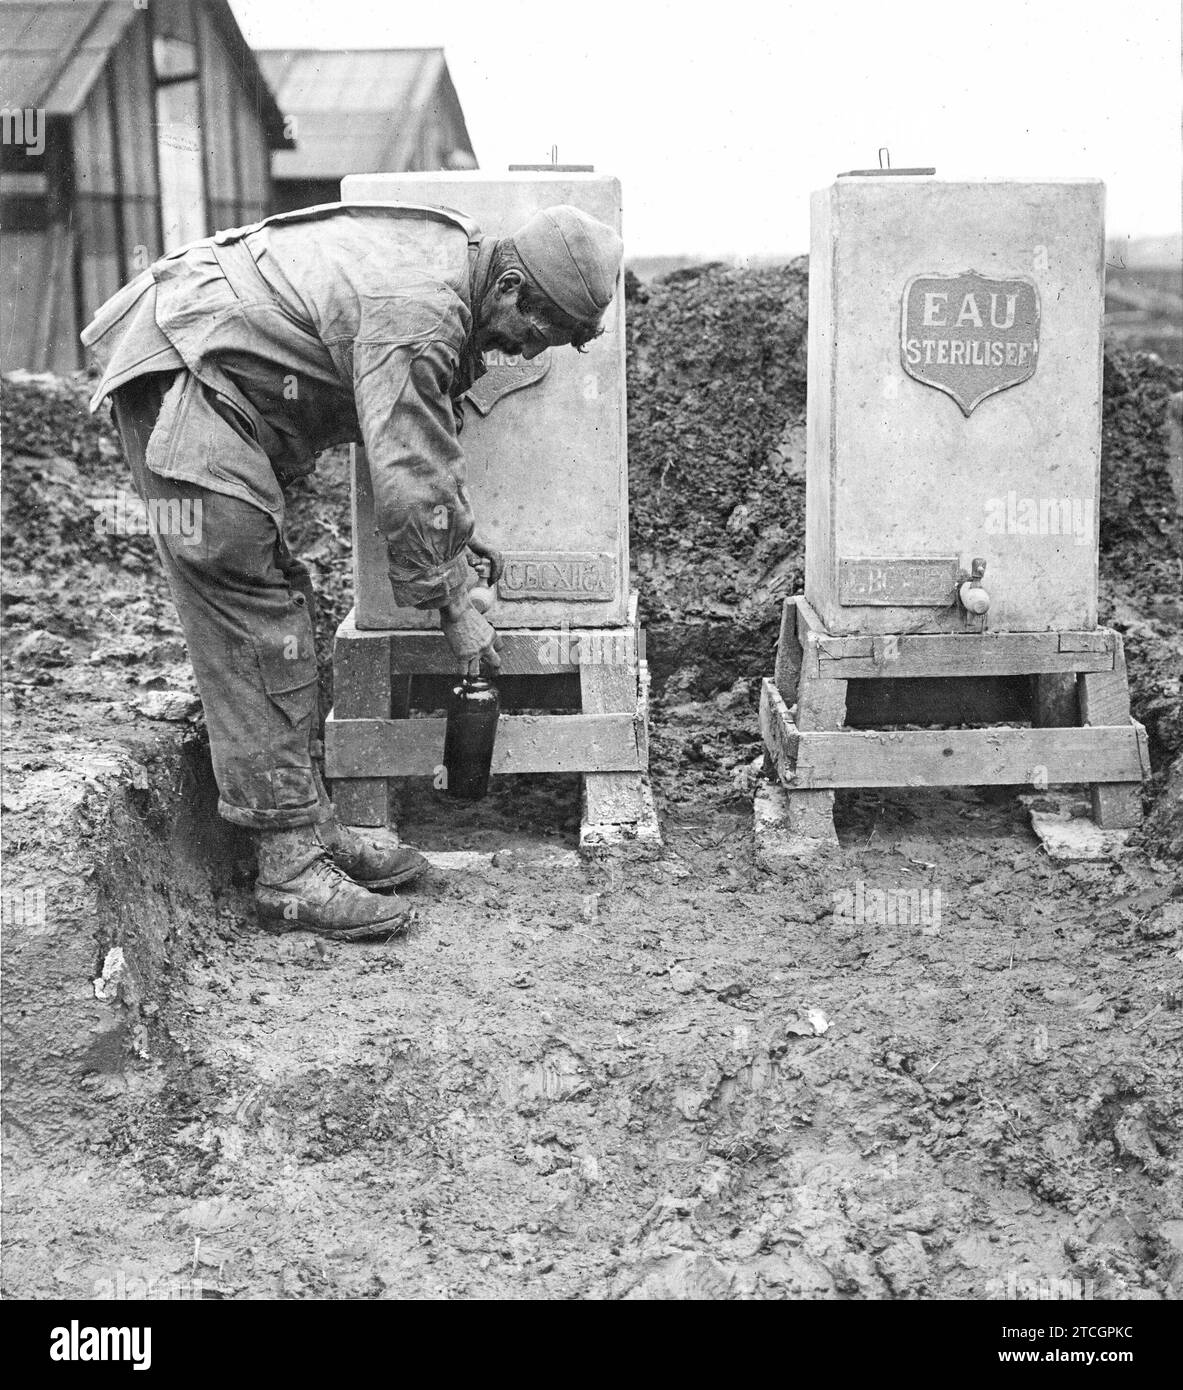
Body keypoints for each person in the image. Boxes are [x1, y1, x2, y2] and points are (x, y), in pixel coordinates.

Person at [82, 201, 624, 941]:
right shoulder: (422, 309)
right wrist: (453, 605)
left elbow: (420, 442)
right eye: (540, 332)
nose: (530, 353)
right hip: (187, 383)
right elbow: (405, 463)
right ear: (509, 289)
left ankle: (314, 830)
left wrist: (453, 544)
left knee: (281, 606)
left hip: (211, 367)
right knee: (253, 619)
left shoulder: (454, 268)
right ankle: (288, 872)